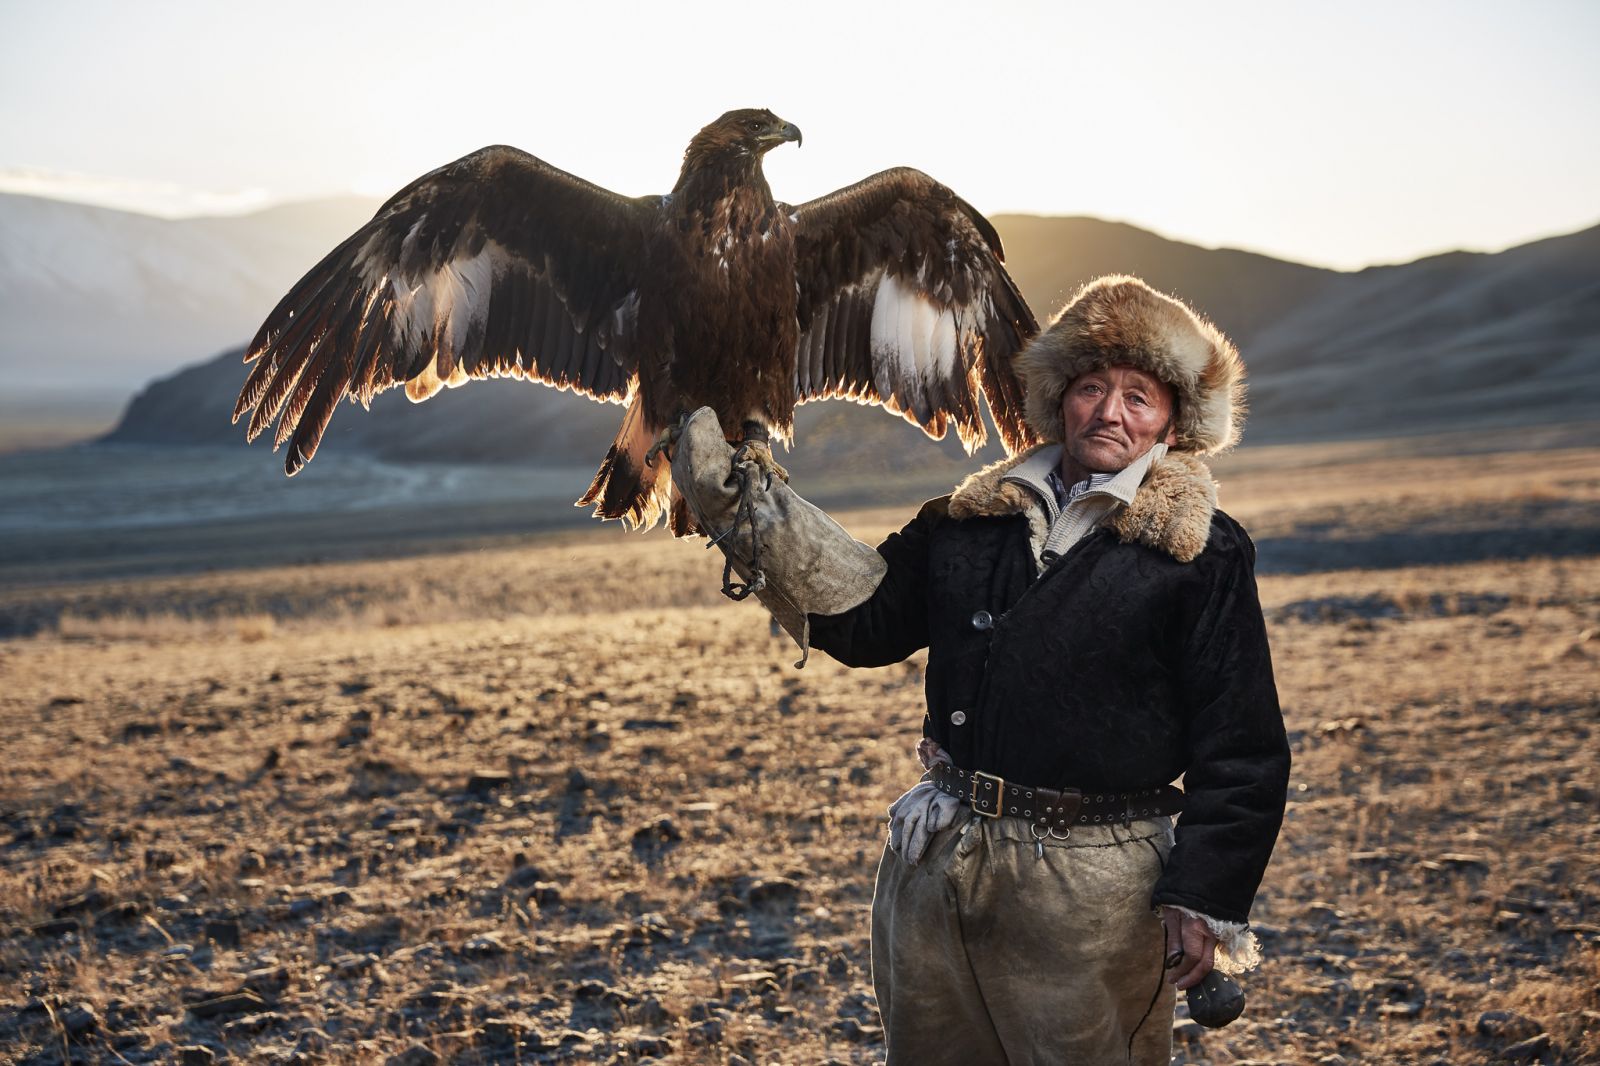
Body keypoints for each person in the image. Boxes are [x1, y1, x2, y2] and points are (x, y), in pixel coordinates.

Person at [673, 274, 1290, 1065]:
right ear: (1057, 399)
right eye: (1091, 387)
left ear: (1174, 421)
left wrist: (1202, 897)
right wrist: (751, 511)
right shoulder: (969, 517)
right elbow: (864, 620)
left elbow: (1241, 747)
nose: (1109, 411)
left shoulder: (1201, 550)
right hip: (939, 858)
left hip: (1093, 885)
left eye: (1139, 396)